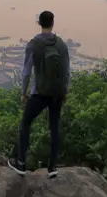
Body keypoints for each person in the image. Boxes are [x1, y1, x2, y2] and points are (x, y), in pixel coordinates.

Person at [8, 10, 70, 178]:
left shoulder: (34, 44)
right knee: (54, 126)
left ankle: (21, 163)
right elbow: (66, 71)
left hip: (39, 93)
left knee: (26, 122)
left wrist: (23, 92)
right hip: (57, 93)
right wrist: (65, 91)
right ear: (52, 23)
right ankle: (52, 167)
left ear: (39, 23)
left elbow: (27, 71)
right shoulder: (61, 45)